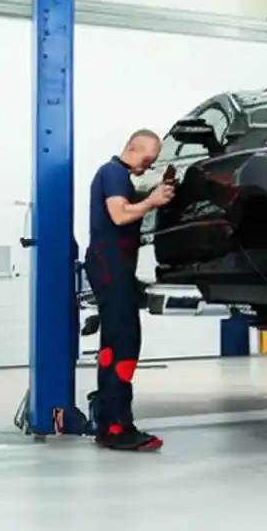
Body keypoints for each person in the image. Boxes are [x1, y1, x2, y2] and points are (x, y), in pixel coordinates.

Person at [86, 129, 175, 451]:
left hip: (115, 269)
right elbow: (119, 215)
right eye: (146, 159)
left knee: (115, 345)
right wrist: (151, 201)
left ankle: (108, 422)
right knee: (123, 345)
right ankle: (117, 428)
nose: (146, 167)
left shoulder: (122, 177)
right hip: (109, 268)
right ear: (132, 148)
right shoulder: (113, 173)